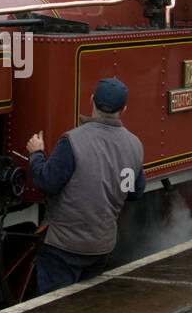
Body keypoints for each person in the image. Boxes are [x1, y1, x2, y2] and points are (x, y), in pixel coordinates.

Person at [26, 76, 146, 295]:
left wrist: (36, 155)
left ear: (91, 100)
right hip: (101, 247)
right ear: (124, 109)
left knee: (53, 310)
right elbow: (134, 192)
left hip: (63, 246)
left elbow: (48, 182)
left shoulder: (72, 141)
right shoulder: (134, 145)